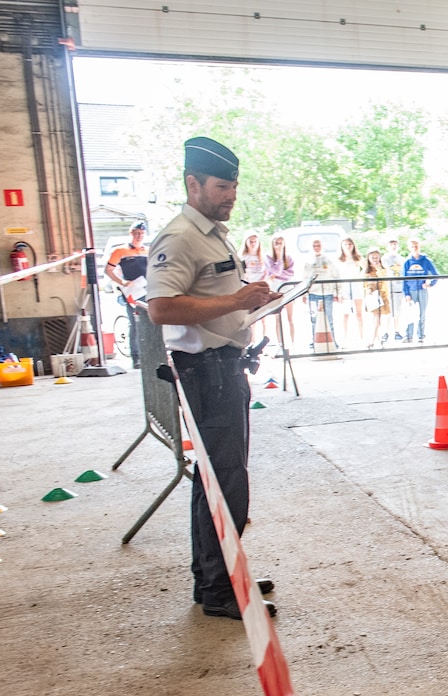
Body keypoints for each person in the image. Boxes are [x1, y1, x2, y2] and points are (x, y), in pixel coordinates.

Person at [146, 136, 280, 620]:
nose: (231, 196)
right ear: (193, 184)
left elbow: (212, 295)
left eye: (234, 187)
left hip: (225, 368)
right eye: (222, 186)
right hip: (207, 374)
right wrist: (237, 301)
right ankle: (220, 589)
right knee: (223, 484)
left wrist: (250, 299)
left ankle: (217, 577)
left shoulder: (212, 235)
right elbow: (162, 307)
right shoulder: (180, 236)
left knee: (219, 482)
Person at [105, 222, 148, 368]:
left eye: (142, 233)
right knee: (135, 323)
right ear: (131, 233)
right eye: (136, 233)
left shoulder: (147, 251)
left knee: (151, 322)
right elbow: (108, 270)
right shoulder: (120, 251)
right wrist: (122, 282)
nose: (139, 236)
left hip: (148, 290)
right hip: (132, 292)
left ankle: (149, 354)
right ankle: (136, 357)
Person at [402, 239, 439, 342]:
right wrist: (406, 294)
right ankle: (409, 336)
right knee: (410, 313)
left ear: (419, 247)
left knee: (422, 314)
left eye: (416, 246)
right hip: (411, 290)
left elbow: (436, 275)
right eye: (412, 246)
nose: (414, 248)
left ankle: (421, 335)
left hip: (422, 291)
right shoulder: (407, 262)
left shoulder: (426, 260)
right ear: (409, 248)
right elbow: (403, 279)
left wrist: (430, 284)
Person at [264, 235, 297, 346]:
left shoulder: (289, 258)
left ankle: (292, 343)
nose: (278, 245)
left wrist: (277, 274)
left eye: (280, 243)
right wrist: (278, 259)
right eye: (276, 243)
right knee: (278, 318)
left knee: (290, 318)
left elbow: (290, 274)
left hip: (287, 288)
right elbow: (275, 272)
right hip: (275, 288)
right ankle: (280, 343)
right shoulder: (268, 258)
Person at [305, 238, 335, 350]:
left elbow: (335, 275)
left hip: (327, 293)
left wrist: (337, 292)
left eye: (318, 245)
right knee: (314, 319)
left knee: (329, 319)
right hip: (313, 293)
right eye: (314, 245)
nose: (316, 247)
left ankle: (332, 341)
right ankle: (315, 341)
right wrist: (304, 294)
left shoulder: (328, 261)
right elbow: (305, 277)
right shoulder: (308, 262)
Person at [335, 237, 365, 346]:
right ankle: (344, 339)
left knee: (358, 314)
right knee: (345, 315)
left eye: (350, 244)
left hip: (356, 286)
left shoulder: (358, 258)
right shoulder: (339, 259)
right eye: (346, 244)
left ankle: (361, 338)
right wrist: (338, 292)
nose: (348, 246)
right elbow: (336, 275)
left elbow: (365, 269)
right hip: (344, 287)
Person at [240, 234, 270, 343]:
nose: (253, 244)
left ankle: (264, 339)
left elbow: (266, 272)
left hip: (260, 288)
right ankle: (252, 341)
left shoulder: (262, 257)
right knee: (252, 317)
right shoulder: (243, 257)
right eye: (251, 241)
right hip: (249, 289)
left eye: (255, 242)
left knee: (263, 317)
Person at [363, 248, 391, 349]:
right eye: (372, 257)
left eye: (376, 257)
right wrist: (368, 290)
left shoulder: (382, 268)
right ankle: (373, 340)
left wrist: (378, 268)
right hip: (372, 296)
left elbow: (384, 278)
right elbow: (364, 284)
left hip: (382, 295)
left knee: (379, 319)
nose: (375, 259)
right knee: (376, 318)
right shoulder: (366, 270)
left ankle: (376, 340)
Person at [382, 238, 407, 341]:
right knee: (388, 312)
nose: (393, 246)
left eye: (395, 244)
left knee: (397, 312)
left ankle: (397, 331)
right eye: (391, 244)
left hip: (399, 288)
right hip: (388, 288)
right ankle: (385, 332)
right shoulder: (384, 259)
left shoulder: (402, 259)